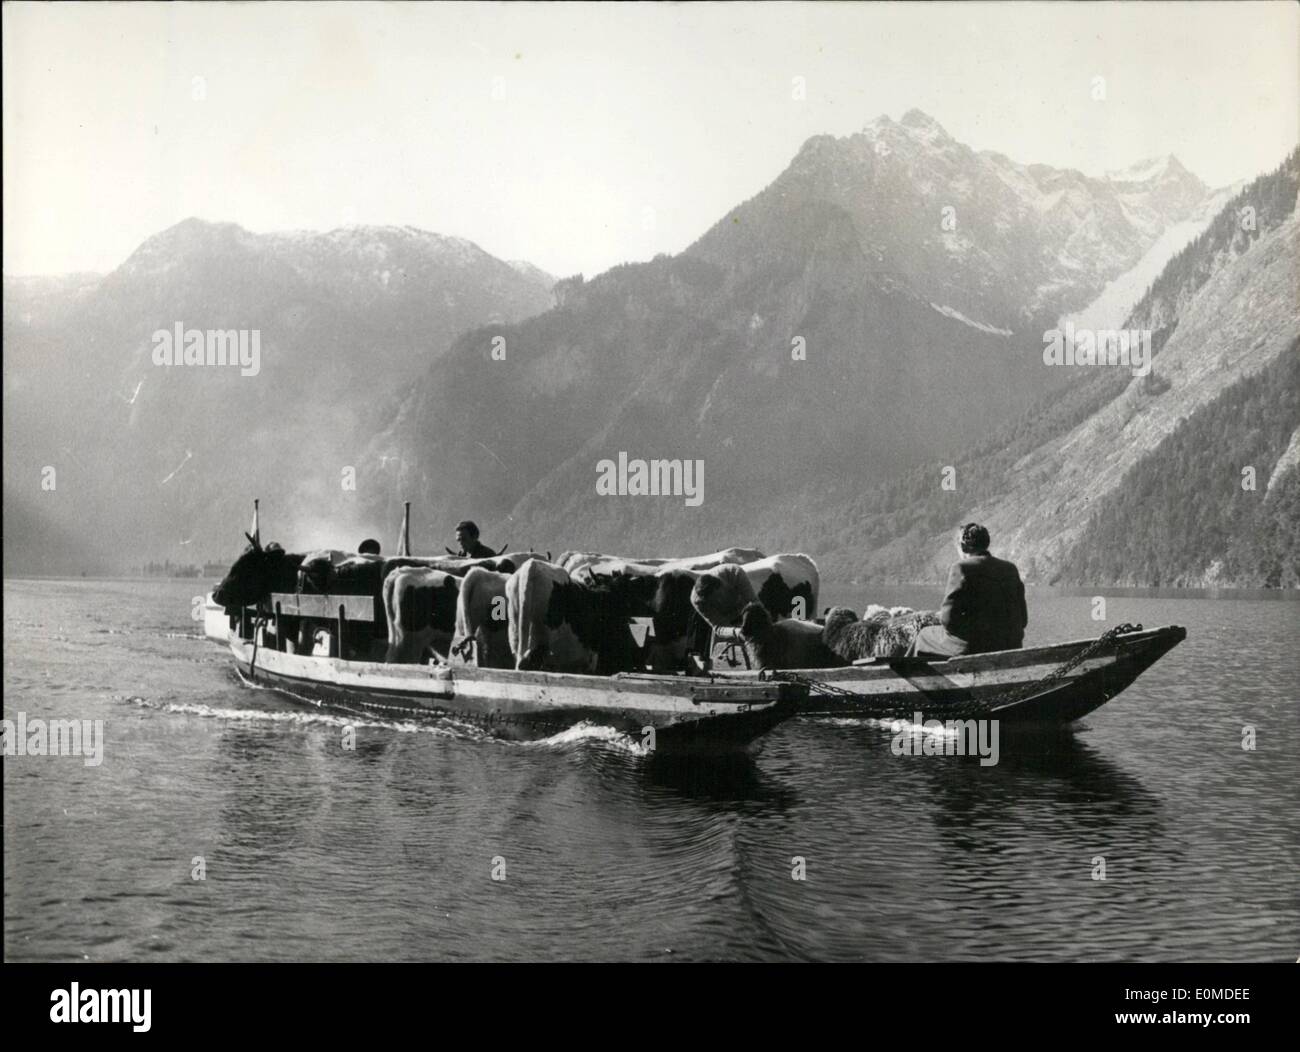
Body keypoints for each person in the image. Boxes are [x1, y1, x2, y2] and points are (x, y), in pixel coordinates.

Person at [908, 523, 1028, 657]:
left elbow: (948, 619)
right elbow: (1023, 619)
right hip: (1011, 644)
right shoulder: (1010, 569)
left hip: (975, 646)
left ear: (963, 546)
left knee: (924, 635)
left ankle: (908, 674)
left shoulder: (961, 568)